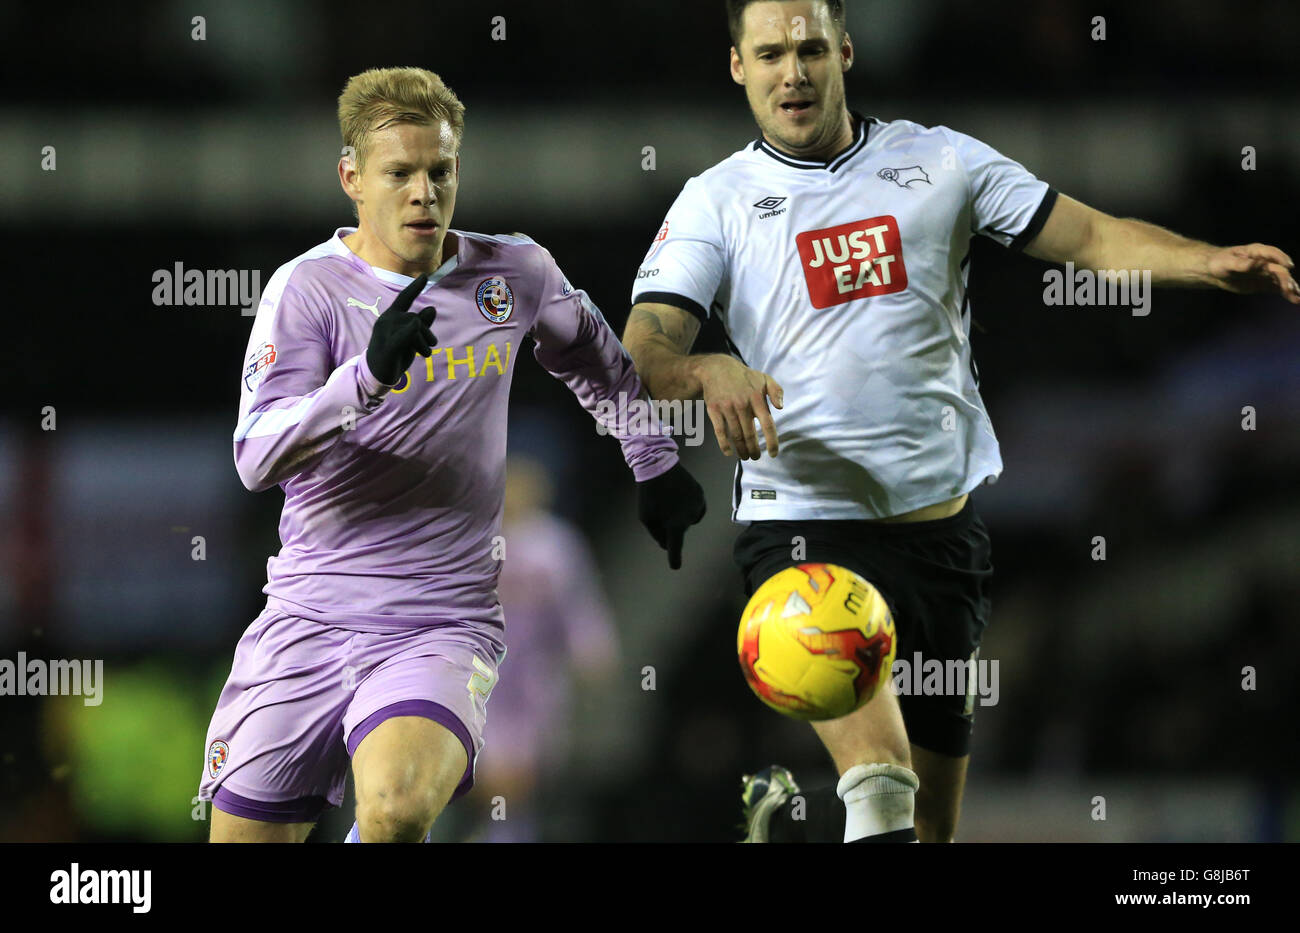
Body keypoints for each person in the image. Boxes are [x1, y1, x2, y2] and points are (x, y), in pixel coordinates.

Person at [621, 0, 1297, 843]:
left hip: (943, 544)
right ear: (738, 67)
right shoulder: (713, 201)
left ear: (844, 52)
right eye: (768, 54)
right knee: (881, 787)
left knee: (930, 830)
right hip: (804, 540)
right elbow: (645, 344)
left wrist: (1208, 264)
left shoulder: (939, 160)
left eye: (808, 49)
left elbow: (1087, 239)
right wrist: (703, 367)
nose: (790, 71)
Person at [198, 66, 705, 843]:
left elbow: (598, 360)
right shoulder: (305, 292)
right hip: (307, 615)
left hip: (439, 619)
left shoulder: (512, 273)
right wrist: (363, 378)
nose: (423, 193)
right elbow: (257, 456)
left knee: (398, 811)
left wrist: (654, 460)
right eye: (399, 172)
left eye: (440, 171)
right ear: (352, 178)